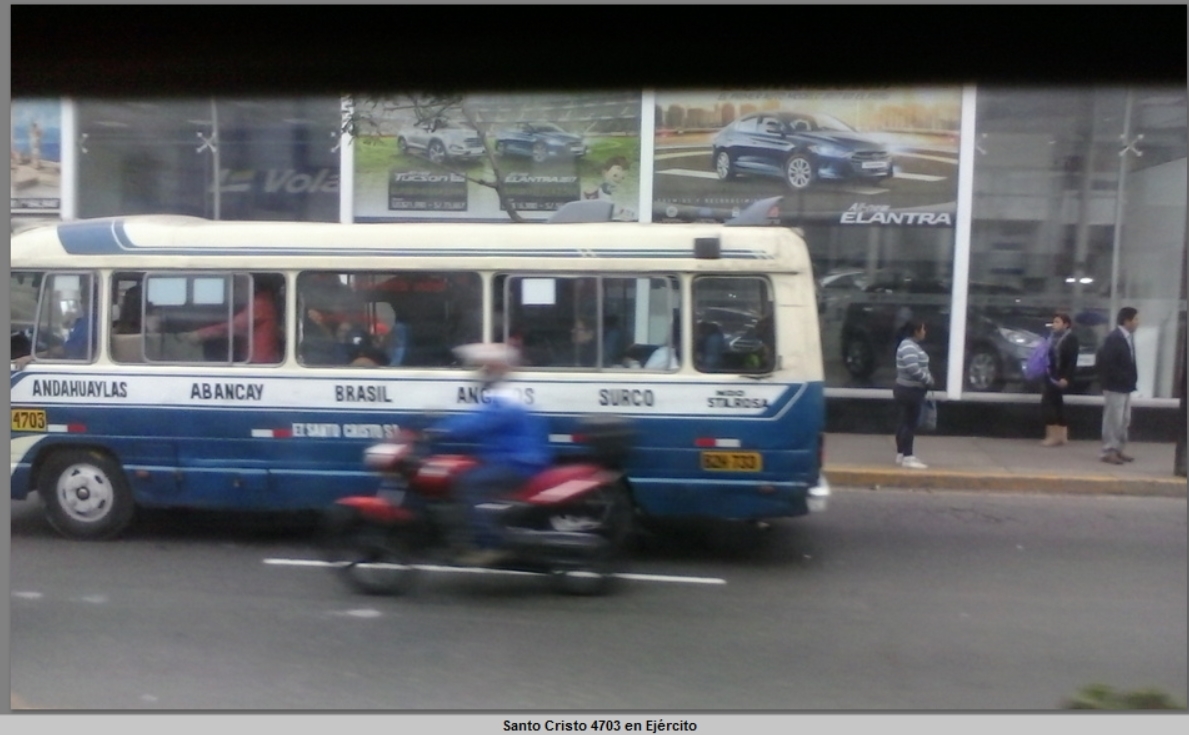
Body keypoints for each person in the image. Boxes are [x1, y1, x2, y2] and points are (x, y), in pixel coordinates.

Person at [430, 343, 552, 566]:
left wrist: (440, 431)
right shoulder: (501, 396)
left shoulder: (505, 398)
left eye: (485, 369)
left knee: (469, 484)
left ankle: (492, 544)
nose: (480, 374)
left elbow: (479, 422)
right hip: (511, 459)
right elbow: (478, 419)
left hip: (518, 463)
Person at [185, 278, 281, 364]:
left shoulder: (261, 303)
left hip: (259, 362)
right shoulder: (261, 301)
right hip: (252, 359)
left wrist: (199, 335)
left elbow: (234, 327)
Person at [1098, 306, 1140, 465]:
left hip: (1126, 386)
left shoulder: (1128, 338)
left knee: (1124, 420)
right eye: (1135, 319)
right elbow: (1107, 363)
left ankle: (1119, 449)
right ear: (1127, 321)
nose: (1138, 323)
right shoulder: (1114, 338)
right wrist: (1120, 378)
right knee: (1113, 420)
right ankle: (1108, 450)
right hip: (1115, 386)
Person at [893, 320, 933, 469]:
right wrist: (927, 379)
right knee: (910, 423)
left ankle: (901, 453)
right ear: (916, 331)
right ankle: (908, 456)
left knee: (904, 421)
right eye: (923, 329)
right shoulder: (909, 346)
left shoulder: (907, 345)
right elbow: (913, 369)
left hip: (906, 389)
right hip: (910, 390)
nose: (924, 332)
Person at [1040, 313, 1079, 447]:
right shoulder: (1051, 338)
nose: (1054, 325)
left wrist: (1066, 377)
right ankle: (1060, 435)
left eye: (1057, 322)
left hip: (1060, 376)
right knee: (1055, 403)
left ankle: (1054, 435)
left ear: (1066, 324)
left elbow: (1072, 361)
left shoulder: (1070, 339)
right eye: (1054, 322)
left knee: (1050, 403)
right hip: (1050, 375)